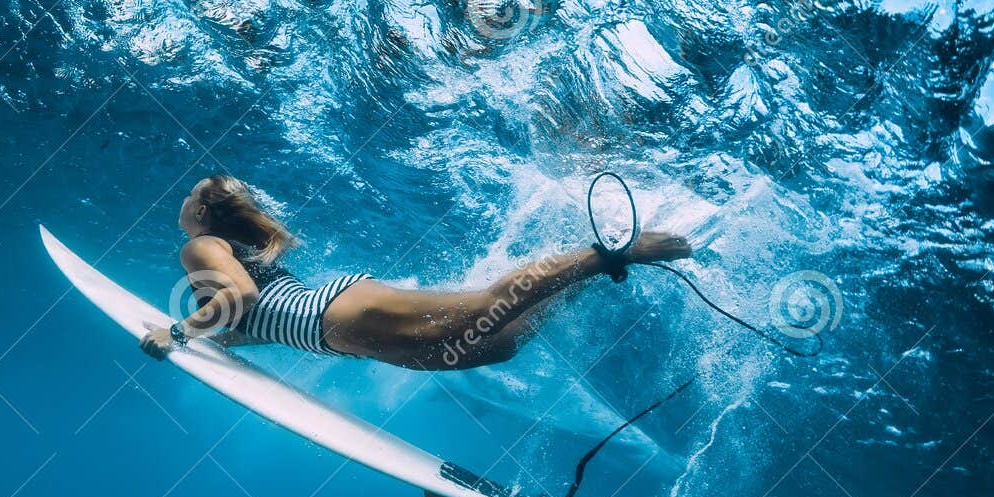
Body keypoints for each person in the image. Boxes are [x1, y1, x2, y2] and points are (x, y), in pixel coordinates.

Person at [139, 174, 691, 371]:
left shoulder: (201, 247)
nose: (182, 204)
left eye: (189, 197)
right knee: (498, 345)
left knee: (486, 307)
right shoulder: (233, 249)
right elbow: (252, 314)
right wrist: (226, 344)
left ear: (204, 214)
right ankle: (583, 280)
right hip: (337, 332)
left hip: (339, 315)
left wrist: (178, 331)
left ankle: (616, 252)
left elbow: (238, 296)